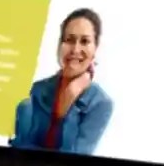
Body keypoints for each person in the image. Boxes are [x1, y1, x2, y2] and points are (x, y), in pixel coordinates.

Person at [9, 8, 114, 155]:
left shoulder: (100, 104)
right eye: (69, 40)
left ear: (95, 48)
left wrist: (70, 97)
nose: (76, 49)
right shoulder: (38, 90)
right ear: (60, 45)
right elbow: (18, 149)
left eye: (85, 41)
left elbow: (73, 159)